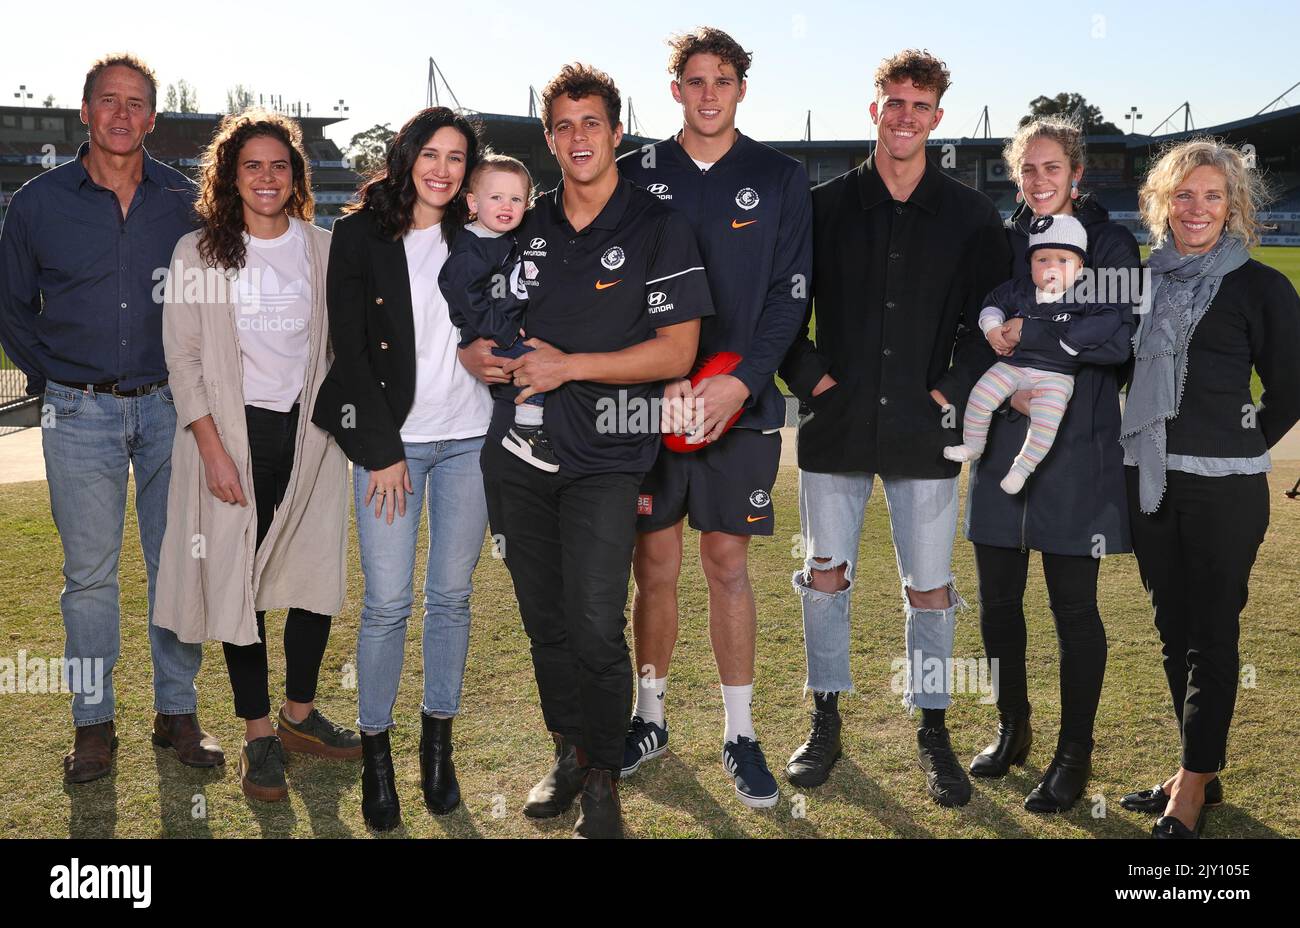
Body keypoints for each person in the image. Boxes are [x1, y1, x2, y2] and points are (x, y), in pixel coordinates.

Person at [471, 63, 712, 838]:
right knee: (544, 621)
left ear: (616, 131)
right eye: (564, 125)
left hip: (609, 453)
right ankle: (569, 751)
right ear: (550, 139)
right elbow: (480, 313)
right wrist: (483, 354)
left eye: (592, 123)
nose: (579, 137)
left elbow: (676, 351)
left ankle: (605, 775)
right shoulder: (526, 223)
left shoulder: (657, 225)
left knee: (594, 619)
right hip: (520, 455)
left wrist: (569, 365)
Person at [778, 49, 1011, 807]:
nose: (905, 116)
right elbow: (779, 306)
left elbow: (994, 322)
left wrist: (950, 388)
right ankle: (826, 717)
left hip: (925, 428)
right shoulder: (821, 206)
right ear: (873, 107)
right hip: (837, 423)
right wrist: (809, 376)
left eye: (920, 105)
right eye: (893, 102)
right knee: (824, 578)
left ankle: (933, 728)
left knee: (932, 588)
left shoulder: (973, 216)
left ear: (937, 118)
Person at [0, 54, 222, 783]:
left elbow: (208, 310)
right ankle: (93, 726)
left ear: (153, 118)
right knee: (88, 577)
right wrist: (56, 377)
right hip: (78, 411)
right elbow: (12, 309)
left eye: (136, 104)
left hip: (169, 410)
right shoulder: (37, 203)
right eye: (108, 101)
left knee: (177, 566)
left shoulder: (185, 202)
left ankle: (176, 711)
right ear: (85, 112)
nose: (122, 115)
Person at [616, 27, 811, 809]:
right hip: (653, 405)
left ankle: (740, 732)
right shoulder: (637, 173)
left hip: (743, 405)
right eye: (694, 80)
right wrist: (657, 376)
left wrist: (744, 383)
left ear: (740, 88)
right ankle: (650, 716)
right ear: (675, 90)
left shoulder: (779, 175)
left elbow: (790, 294)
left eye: (722, 80)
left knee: (726, 565)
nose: (707, 93)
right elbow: (620, 285)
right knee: (653, 568)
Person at [154, 109, 355, 803]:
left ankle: (301, 715)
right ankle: (258, 733)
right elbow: (181, 359)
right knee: (239, 582)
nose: (266, 177)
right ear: (230, 176)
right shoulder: (199, 253)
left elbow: (343, 345)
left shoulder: (324, 249)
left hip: (310, 437)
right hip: (231, 438)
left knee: (312, 575)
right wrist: (211, 447)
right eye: (252, 166)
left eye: (279, 165)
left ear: (296, 175)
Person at [313, 107, 490, 829]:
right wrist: (380, 451)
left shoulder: (481, 233)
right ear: (407, 156)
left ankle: (437, 749)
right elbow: (349, 350)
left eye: (457, 158)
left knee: (450, 598)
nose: (443, 169)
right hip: (393, 447)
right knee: (388, 603)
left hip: (472, 441)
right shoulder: (359, 234)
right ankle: (377, 755)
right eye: (432, 154)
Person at [1119, 139, 1300, 838]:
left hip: (1226, 489)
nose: (1197, 209)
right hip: (1151, 479)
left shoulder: (1260, 286)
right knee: (1172, 630)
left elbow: (1290, 386)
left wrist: (1243, 438)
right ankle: (1200, 768)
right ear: (1164, 203)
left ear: (1235, 206)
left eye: (1213, 196)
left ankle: (1189, 792)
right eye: (1184, 195)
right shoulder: (1142, 280)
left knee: (1211, 636)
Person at [963, 117, 1139, 814]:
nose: (1038, 181)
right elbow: (981, 320)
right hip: (1007, 441)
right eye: (1028, 169)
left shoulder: (1112, 242)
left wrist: (1029, 335)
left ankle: (1073, 755)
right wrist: (992, 331)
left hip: (1079, 447)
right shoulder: (1011, 240)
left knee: (1074, 609)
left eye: (1051, 169)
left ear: (1076, 173)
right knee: (999, 601)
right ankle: (1012, 725)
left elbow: (1115, 333)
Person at [946, 213, 1121, 494]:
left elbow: (1109, 319)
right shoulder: (1020, 288)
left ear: (1079, 267)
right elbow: (992, 304)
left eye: (1063, 260)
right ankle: (973, 446)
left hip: (1057, 374)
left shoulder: (1086, 294)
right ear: (1030, 264)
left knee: (1045, 422)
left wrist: (1071, 341)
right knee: (980, 395)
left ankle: (1022, 467)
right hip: (1014, 364)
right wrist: (992, 328)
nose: (1052, 267)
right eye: (1042, 260)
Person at [438, 154, 554, 470]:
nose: (507, 206)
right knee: (534, 365)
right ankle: (525, 431)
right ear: (473, 203)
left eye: (516, 199)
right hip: (487, 331)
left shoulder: (505, 236)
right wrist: (501, 329)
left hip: (506, 321)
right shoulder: (470, 249)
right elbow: (469, 303)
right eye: (497, 198)